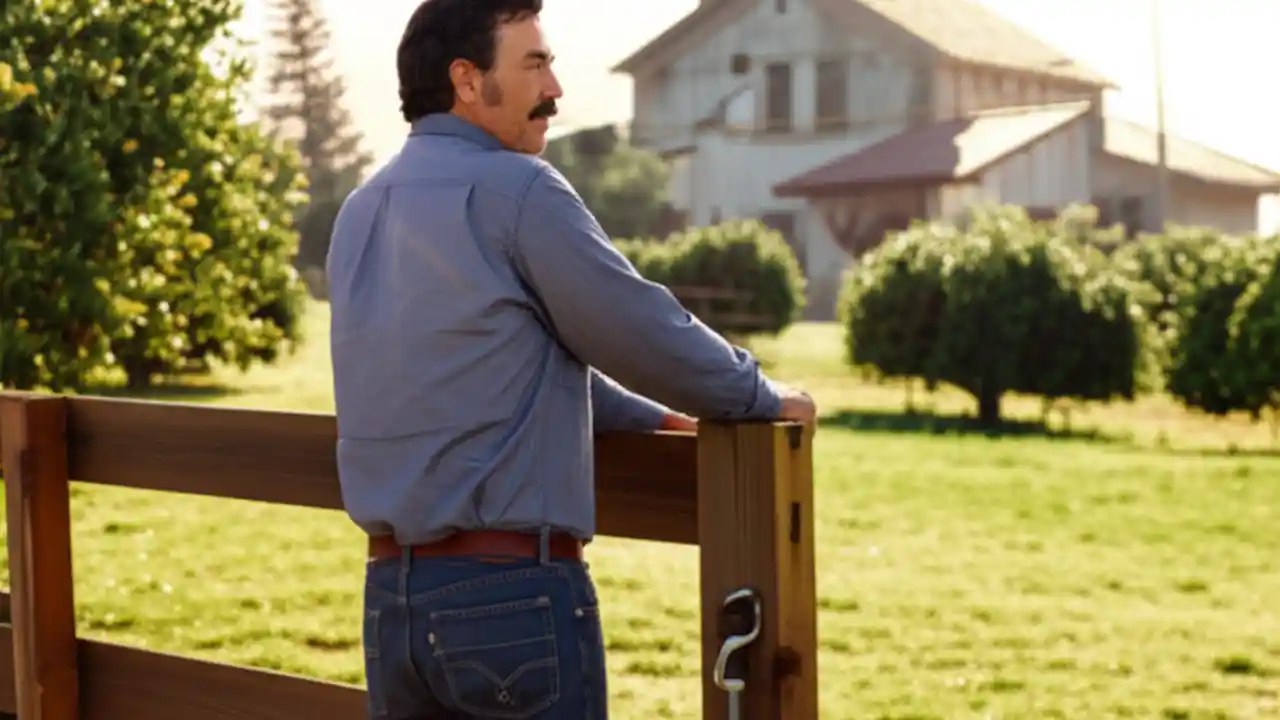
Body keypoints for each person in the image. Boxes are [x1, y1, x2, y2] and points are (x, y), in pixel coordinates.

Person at [325, 0, 817, 717]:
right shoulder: (517, 189)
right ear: (466, 80)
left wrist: (658, 418)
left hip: (392, 605)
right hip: (510, 601)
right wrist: (761, 398)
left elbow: (505, 366)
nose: (555, 88)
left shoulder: (362, 209)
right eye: (535, 64)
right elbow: (640, 329)